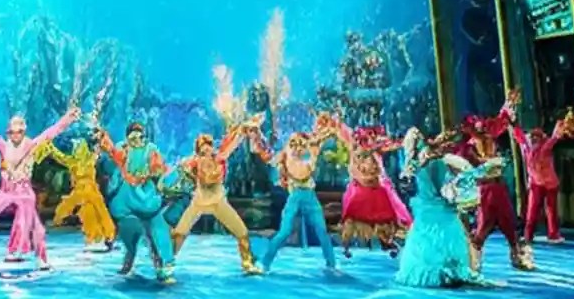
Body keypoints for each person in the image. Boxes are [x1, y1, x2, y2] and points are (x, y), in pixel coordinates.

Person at [0, 106, 80, 270]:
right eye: (12, 132)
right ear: (8, 132)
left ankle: (39, 258)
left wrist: (67, 119)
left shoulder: (31, 145)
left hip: (25, 193)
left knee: (32, 225)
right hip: (6, 191)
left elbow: (51, 132)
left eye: (19, 132)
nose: (15, 135)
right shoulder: (4, 146)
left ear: (23, 131)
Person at [395, 126, 503, 288]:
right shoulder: (436, 164)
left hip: (424, 216)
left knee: (426, 246)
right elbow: (445, 191)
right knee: (450, 246)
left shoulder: (413, 166)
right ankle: (448, 272)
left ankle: (431, 273)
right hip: (442, 215)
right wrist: (475, 177)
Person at [170, 117, 263, 274]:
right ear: (198, 152)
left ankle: (247, 263)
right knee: (179, 233)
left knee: (242, 233)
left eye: (208, 149)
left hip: (219, 203)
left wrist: (243, 129)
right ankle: (167, 263)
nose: (206, 153)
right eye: (202, 150)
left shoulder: (220, 158)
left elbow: (234, 143)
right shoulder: (193, 162)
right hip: (199, 202)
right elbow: (177, 169)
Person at [456, 88, 533, 271]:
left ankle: (516, 256)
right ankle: (473, 262)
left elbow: (502, 119)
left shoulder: (489, 135)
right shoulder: (467, 149)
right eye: (475, 125)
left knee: (509, 224)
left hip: (499, 189)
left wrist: (509, 103)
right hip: (485, 190)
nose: (481, 128)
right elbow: (466, 169)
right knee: (483, 226)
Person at [320, 114, 411, 257]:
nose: (369, 141)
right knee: (353, 216)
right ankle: (348, 244)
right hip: (361, 188)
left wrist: (407, 142)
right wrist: (332, 122)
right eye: (367, 138)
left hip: (377, 188)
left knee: (388, 215)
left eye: (372, 138)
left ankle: (388, 241)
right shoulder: (354, 142)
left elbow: (394, 144)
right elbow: (340, 129)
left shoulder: (377, 147)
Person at [98, 121, 176, 283]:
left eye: (138, 134)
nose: (135, 138)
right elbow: (114, 154)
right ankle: (130, 256)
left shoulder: (151, 149)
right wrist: (104, 138)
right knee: (129, 230)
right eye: (132, 134)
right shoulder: (123, 147)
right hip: (126, 198)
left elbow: (158, 168)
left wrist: (151, 173)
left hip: (146, 197)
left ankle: (163, 267)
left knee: (157, 230)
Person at [255, 126, 338, 272]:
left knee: (321, 230)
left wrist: (331, 130)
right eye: (293, 143)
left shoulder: (311, 150)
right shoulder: (286, 153)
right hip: (295, 196)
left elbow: (319, 140)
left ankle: (331, 264)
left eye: (300, 143)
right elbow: (269, 158)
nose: (297, 147)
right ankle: (265, 262)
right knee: (285, 231)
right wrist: (257, 136)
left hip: (310, 196)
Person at [512, 109, 574, 243]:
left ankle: (553, 235)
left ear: (541, 138)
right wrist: (513, 122)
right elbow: (518, 134)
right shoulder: (526, 146)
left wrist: (562, 125)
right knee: (532, 210)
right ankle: (528, 236)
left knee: (551, 210)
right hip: (535, 183)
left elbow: (555, 138)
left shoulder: (545, 147)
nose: (533, 139)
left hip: (550, 183)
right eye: (531, 137)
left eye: (536, 137)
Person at [34, 137, 116, 249]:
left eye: (78, 148)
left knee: (97, 212)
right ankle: (97, 238)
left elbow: (100, 150)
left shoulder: (90, 159)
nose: (76, 150)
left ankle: (105, 236)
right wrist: (51, 148)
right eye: (76, 149)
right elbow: (60, 157)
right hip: (83, 191)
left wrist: (100, 141)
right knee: (89, 212)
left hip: (89, 191)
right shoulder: (74, 161)